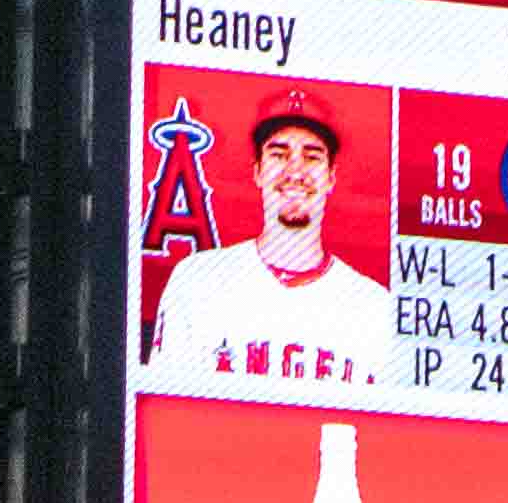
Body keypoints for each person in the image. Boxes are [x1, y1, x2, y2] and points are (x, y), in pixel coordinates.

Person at [140, 96, 394, 387]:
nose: (295, 171)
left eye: (312, 156)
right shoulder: (198, 280)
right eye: (278, 154)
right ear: (258, 171)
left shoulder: (375, 308)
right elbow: (167, 415)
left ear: (330, 177)